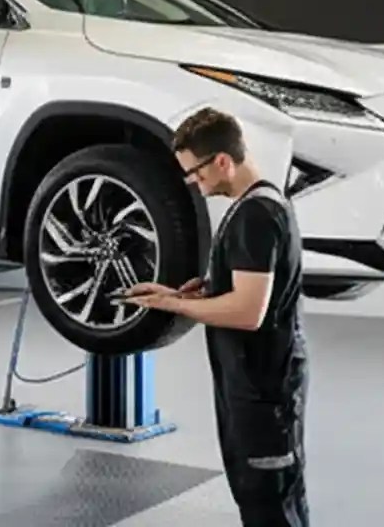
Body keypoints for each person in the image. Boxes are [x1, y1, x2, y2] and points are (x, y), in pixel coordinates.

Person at [124, 107, 310, 526]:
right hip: (254, 382)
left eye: (196, 172)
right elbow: (253, 287)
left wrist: (173, 307)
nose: (193, 182)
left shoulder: (255, 216)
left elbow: (248, 311)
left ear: (222, 161)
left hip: (263, 389)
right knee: (264, 496)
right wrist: (185, 291)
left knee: (269, 504)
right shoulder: (259, 204)